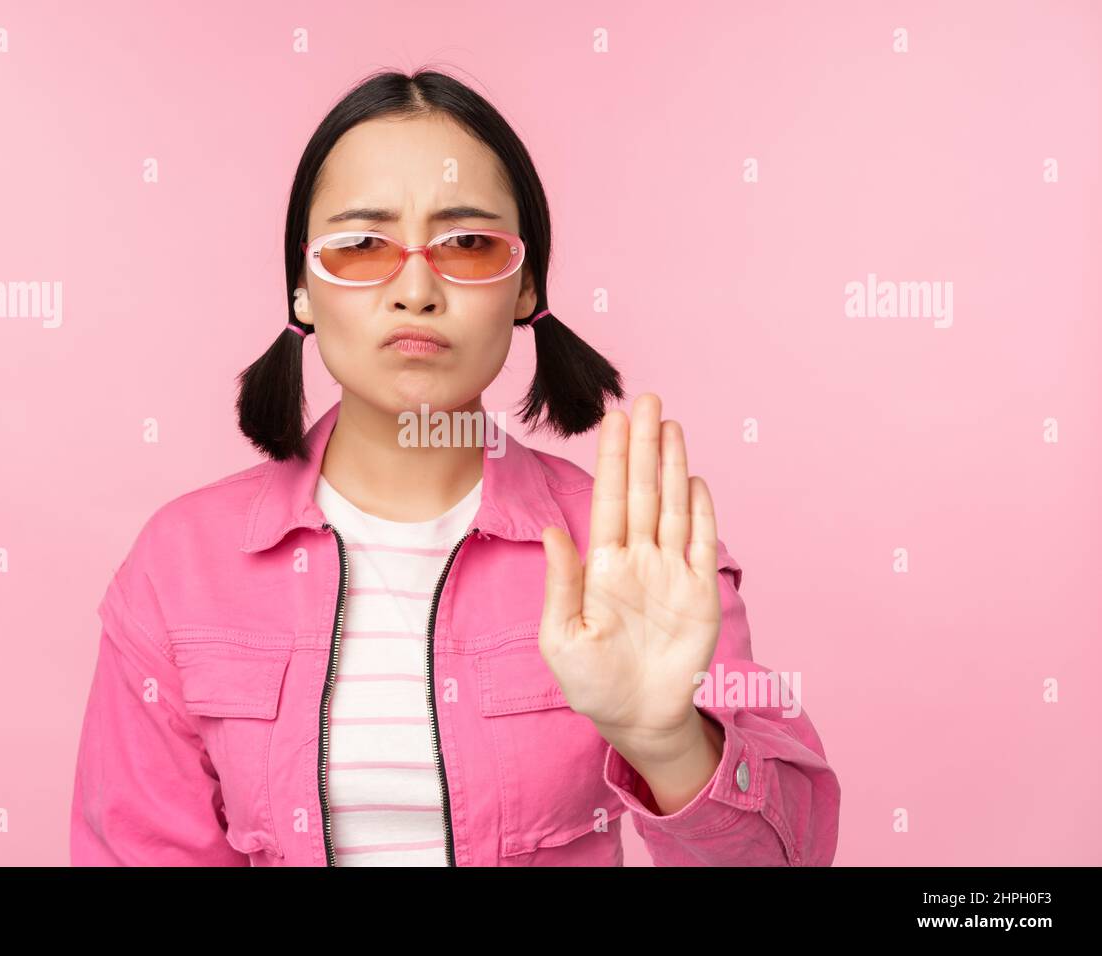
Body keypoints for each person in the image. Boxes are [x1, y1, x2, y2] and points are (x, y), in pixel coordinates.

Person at [70, 67, 840, 866]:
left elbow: (788, 858)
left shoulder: (635, 557)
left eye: (468, 244)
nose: (415, 289)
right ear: (301, 287)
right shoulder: (180, 564)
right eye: (361, 245)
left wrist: (668, 740)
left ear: (525, 284)